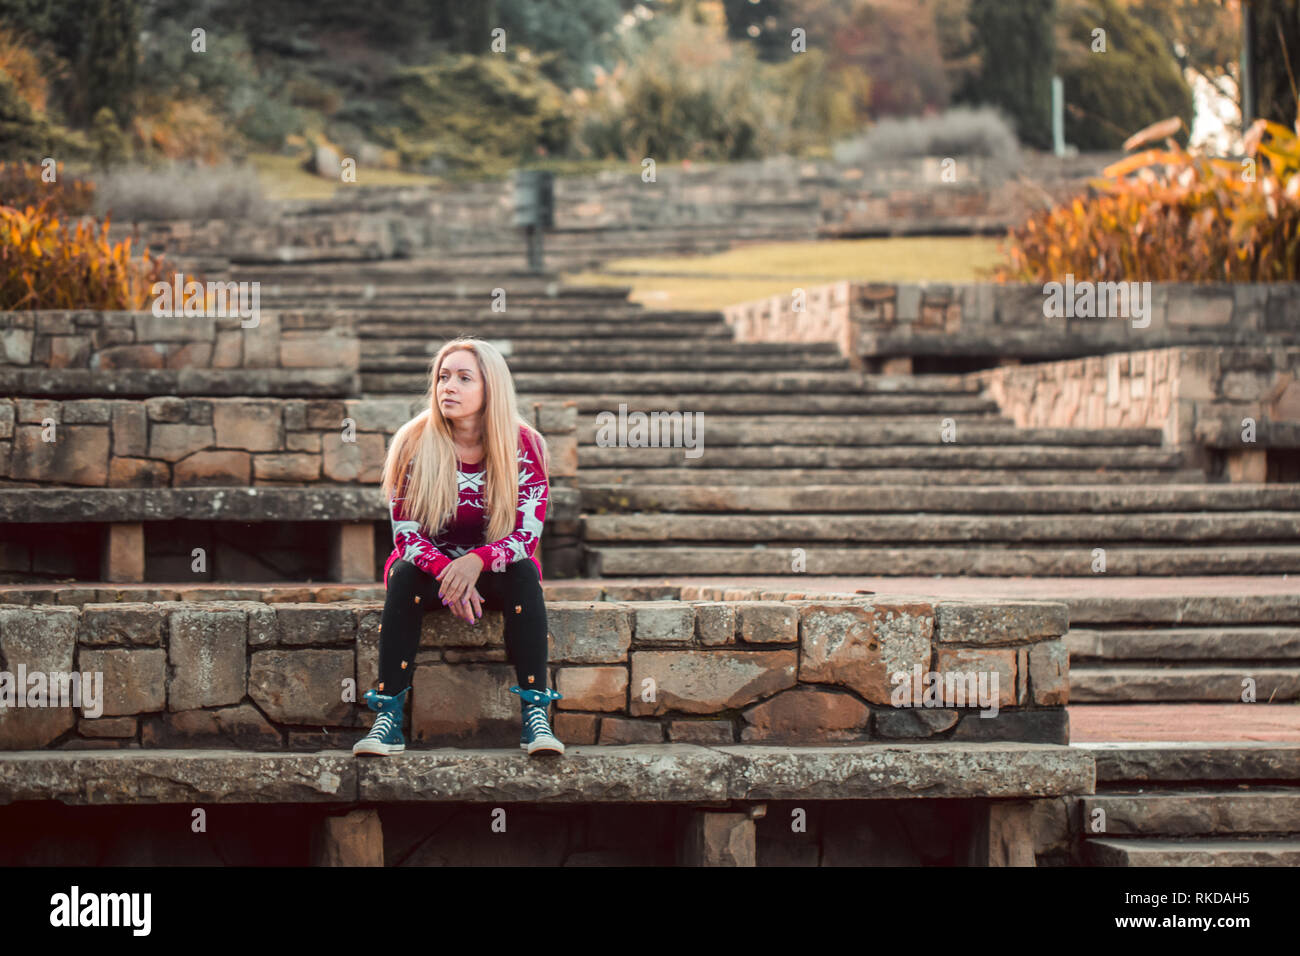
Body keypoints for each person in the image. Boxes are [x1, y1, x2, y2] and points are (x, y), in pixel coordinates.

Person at [353, 336, 564, 757]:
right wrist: (452, 574)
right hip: (427, 574)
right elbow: (406, 536)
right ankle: (388, 719)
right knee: (404, 573)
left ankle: (536, 717)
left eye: (464, 378)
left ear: (491, 389)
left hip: (495, 571)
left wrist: (475, 563)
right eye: (443, 377)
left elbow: (527, 537)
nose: (448, 387)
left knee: (524, 573)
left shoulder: (526, 445)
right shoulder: (413, 442)